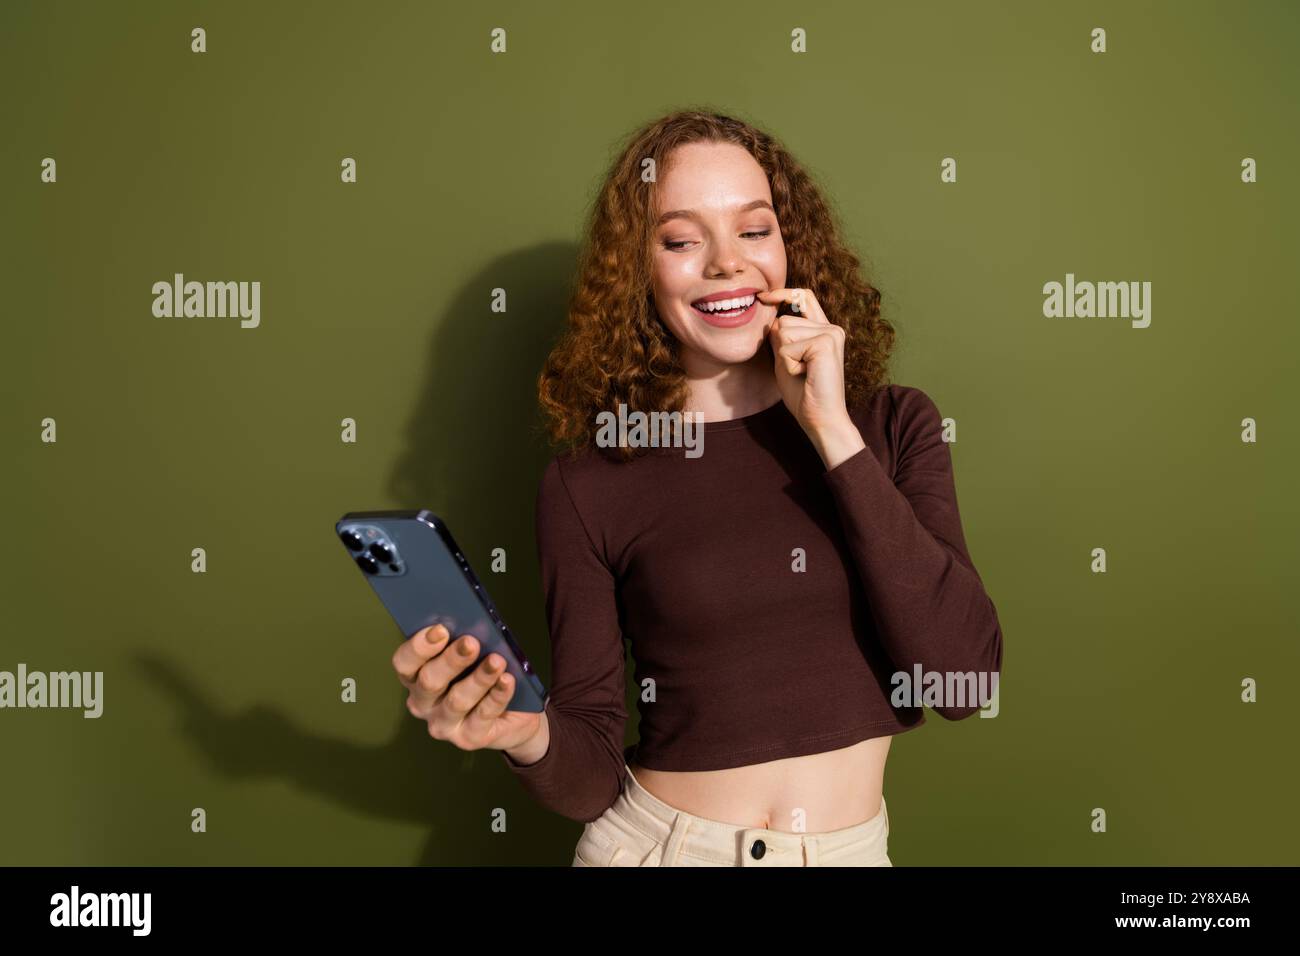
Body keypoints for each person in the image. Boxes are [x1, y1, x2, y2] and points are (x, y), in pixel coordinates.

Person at [391, 109, 1004, 867]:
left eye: (754, 230)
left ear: (789, 244)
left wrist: (832, 431)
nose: (725, 264)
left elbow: (963, 682)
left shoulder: (892, 425)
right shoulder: (590, 482)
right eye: (681, 241)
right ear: (638, 271)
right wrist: (524, 733)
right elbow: (589, 775)